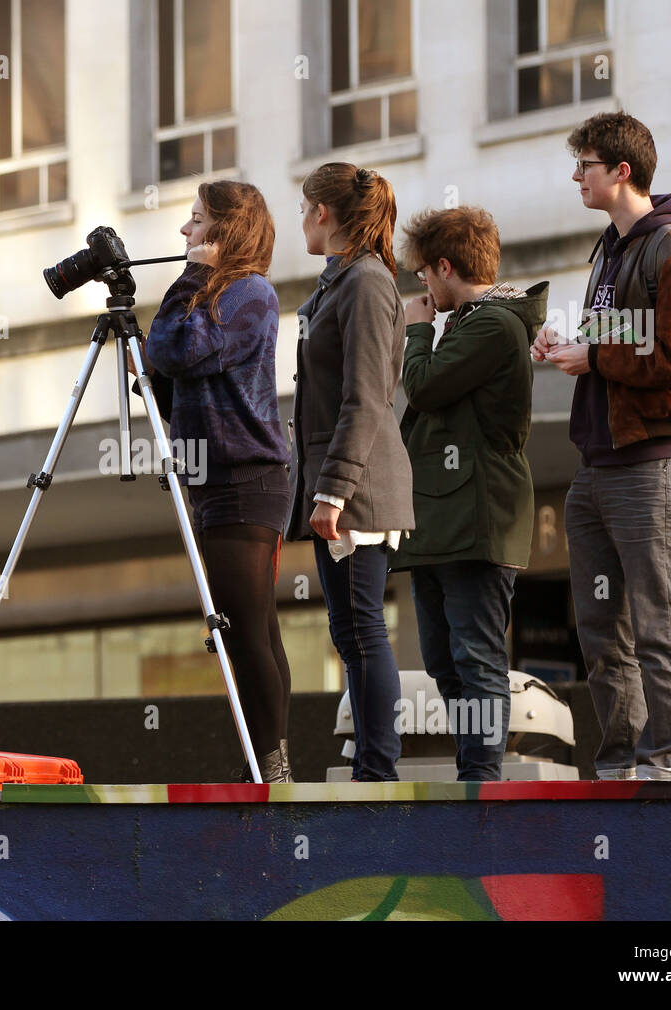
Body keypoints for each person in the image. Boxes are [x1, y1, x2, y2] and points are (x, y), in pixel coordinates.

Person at [532, 111, 671, 780]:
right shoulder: (608, 249)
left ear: (621, 171)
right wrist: (563, 345)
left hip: (648, 467)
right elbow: (610, 342)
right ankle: (618, 765)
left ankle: (666, 762)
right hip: (595, 467)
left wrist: (597, 357)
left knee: (660, 623)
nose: (575, 175)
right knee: (600, 630)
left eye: (585, 164)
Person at [137, 180, 295, 783]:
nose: (184, 232)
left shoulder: (250, 294)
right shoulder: (217, 295)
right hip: (214, 479)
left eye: (196, 220)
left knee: (245, 625)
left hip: (245, 478)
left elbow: (181, 350)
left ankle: (270, 768)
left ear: (224, 233)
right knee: (245, 624)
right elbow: (172, 368)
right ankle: (266, 761)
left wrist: (185, 281)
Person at [392, 205, 547, 781]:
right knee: (442, 660)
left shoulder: (492, 323)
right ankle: (472, 766)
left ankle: (481, 780)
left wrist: (416, 329)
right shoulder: (473, 322)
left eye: (424, 274)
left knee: (476, 658)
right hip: (441, 518)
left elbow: (425, 386)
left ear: (445, 266)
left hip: (477, 519)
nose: (423, 287)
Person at [285, 163, 414, 782]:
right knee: (349, 629)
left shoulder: (364, 281)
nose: (300, 219)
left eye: (304, 207)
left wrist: (332, 490)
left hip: (355, 488)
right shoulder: (343, 281)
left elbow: (365, 397)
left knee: (363, 629)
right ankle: (370, 762)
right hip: (341, 483)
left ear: (325, 214)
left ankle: (378, 769)